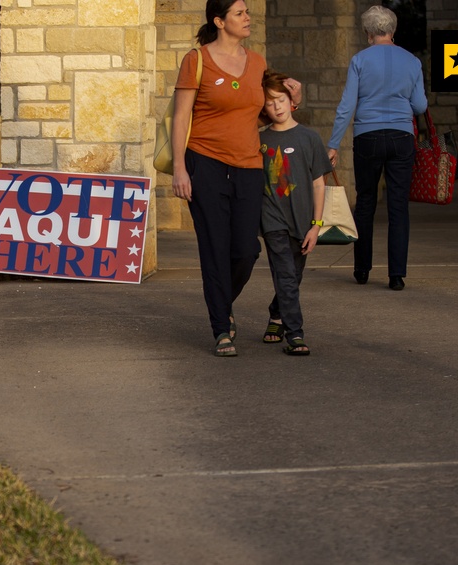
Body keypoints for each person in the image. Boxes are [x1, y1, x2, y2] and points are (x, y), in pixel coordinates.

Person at [170, 0, 298, 357]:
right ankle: (220, 328)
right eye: (239, 13)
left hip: (248, 166)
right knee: (214, 246)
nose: (247, 18)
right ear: (219, 20)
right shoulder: (197, 61)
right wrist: (180, 168)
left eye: (246, 12)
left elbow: (262, 112)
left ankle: (221, 302)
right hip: (205, 163)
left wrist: (293, 100)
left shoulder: (256, 62)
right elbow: (181, 118)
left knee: (245, 250)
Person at [327, 5, 427, 291]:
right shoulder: (412, 61)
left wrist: (334, 144)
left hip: (368, 137)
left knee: (366, 202)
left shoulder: (359, 60)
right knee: (398, 206)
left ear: (368, 32)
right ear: (393, 30)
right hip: (401, 137)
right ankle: (396, 275)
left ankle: (361, 269)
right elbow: (419, 105)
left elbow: (347, 106)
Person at [258, 70, 333, 356]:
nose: (276, 106)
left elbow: (318, 184)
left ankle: (276, 315)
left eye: (280, 99)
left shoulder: (309, 138)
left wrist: (316, 225)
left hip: (302, 220)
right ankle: (296, 334)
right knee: (286, 274)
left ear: (292, 101)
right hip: (272, 218)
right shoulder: (260, 141)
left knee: (292, 275)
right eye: (269, 102)